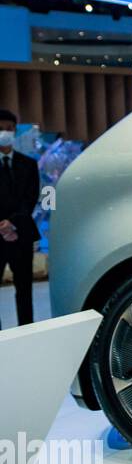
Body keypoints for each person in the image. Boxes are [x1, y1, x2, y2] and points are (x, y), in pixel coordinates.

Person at [0, 108, 39, 328]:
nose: (5, 133)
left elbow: (30, 198)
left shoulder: (28, 164)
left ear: (15, 131)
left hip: (21, 233)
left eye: (9, 129)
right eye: (1, 129)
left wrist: (12, 223)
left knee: (24, 288)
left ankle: (27, 331)